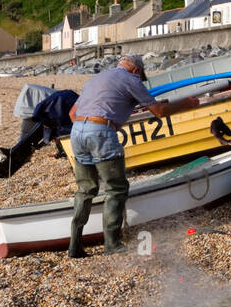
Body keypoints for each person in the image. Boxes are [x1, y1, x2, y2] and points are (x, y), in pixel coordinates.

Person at [66, 54, 200, 257]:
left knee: (86, 190)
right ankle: (111, 244)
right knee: (116, 188)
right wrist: (186, 104)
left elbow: (72, 113)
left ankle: (75, 245)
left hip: (77, 132)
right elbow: (160, 111)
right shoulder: (131, 80)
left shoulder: (96, 79)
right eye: (141, 75)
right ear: (136, 70)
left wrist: (88, 125)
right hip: (101, 132)